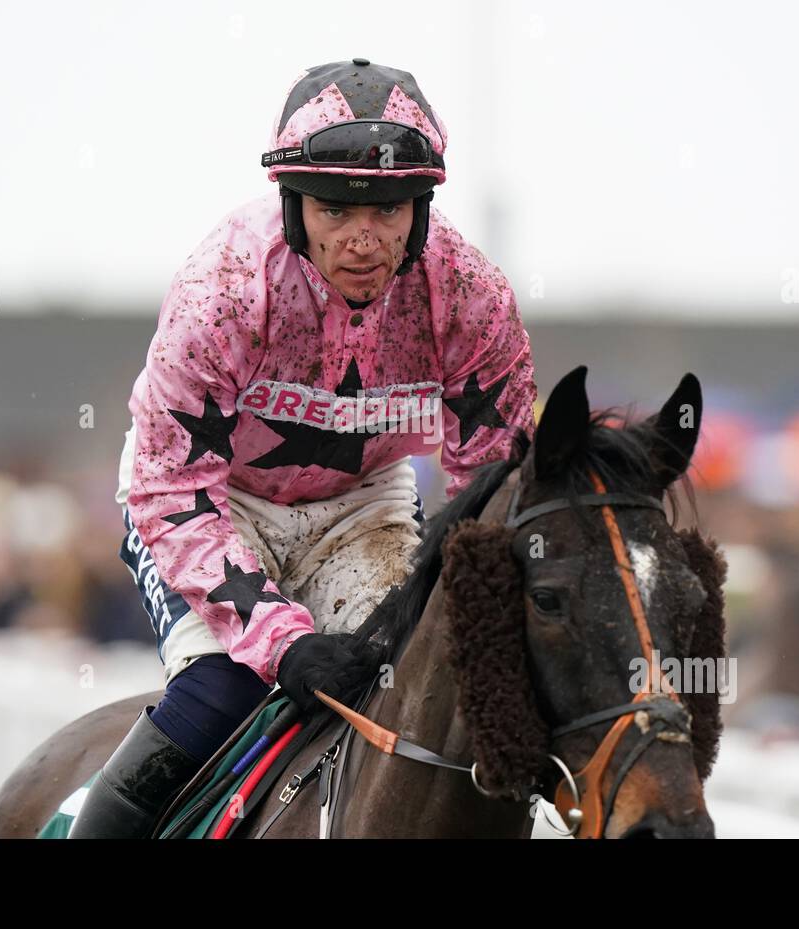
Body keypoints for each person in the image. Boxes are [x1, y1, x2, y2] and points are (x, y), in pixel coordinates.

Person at [68, 59, 536, 837]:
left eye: (390, 210)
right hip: (206, 502)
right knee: (226, 686)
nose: (363, 239)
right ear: (291, 203)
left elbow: (491, 496)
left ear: (421, 208)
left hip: (362, 508)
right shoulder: (222, 288)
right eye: (334, 208)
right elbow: (172, 488)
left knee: (417, 680)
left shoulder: (470, 297)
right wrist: (281, 645)